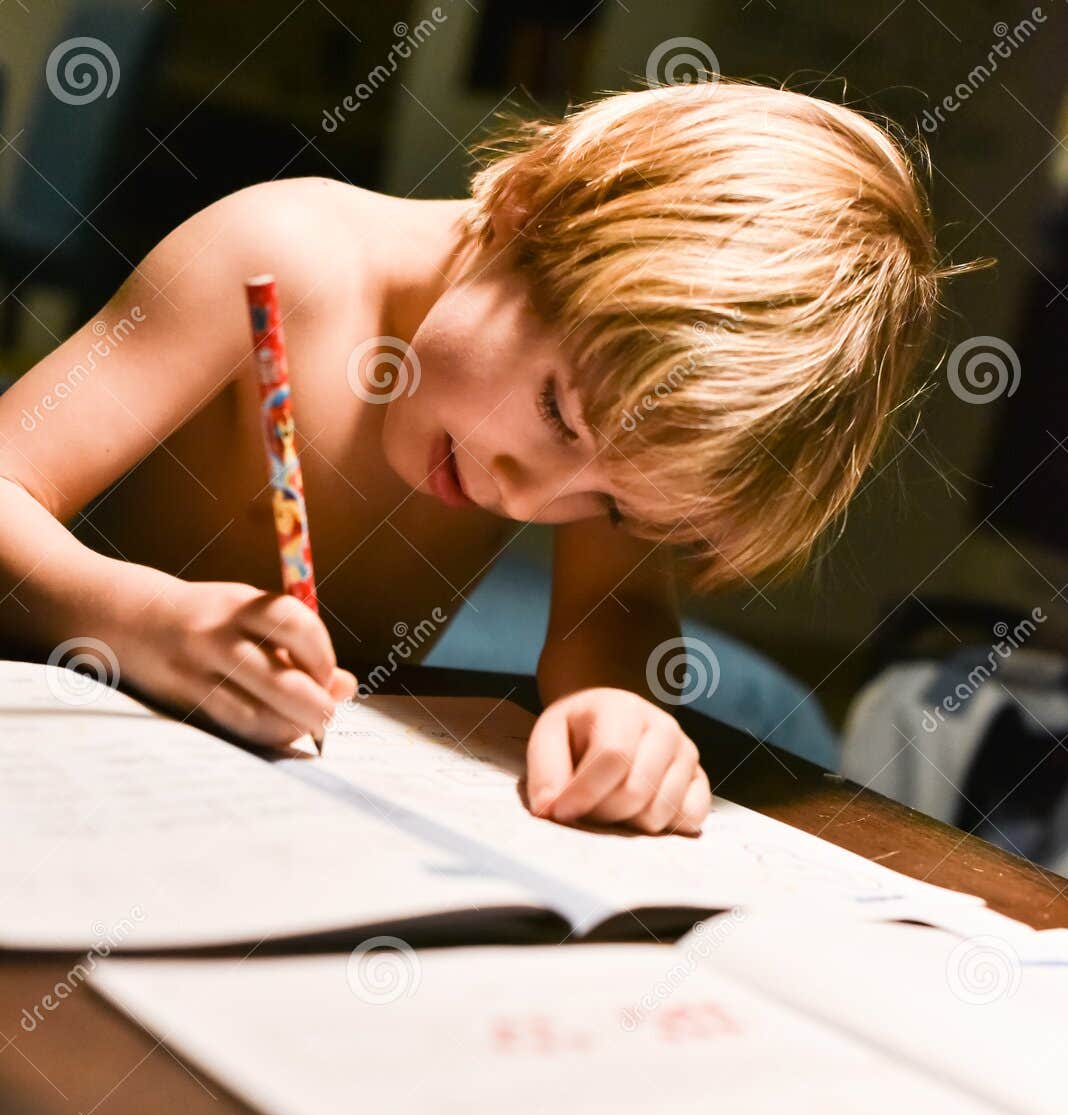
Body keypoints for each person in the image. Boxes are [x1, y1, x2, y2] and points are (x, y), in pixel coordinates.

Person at [0, 77, 977, 833]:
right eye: (558, 413)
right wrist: (136, 620)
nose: (532, 499)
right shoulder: (280, 257)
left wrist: (614, 704)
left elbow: (616, 607)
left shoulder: (604, 448)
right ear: (522, 207)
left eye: (615, 508)